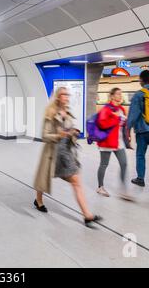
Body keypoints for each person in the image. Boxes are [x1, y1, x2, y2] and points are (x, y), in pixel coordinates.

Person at [33, 87, 102, 226]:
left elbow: (68, 129)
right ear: (58, 97)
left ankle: (87, 215)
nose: (67, 97)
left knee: (76, 182)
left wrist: (73, 132)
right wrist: (60, 135)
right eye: (64, 94)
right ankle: (38, 200)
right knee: (43, 179)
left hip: (67, 153)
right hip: (53, 153)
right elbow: (44, 136)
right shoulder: (50, 113)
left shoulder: (68, 112)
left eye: (67, 95)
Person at [96, 88, 132, 200]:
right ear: (112, 96)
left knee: (124, 163)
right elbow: (102, 124)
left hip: (118, 141)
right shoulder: (106, 109)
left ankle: (123, 190)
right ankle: (100, 187)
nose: (120, 95)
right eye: (117, 94)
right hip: (107, 141)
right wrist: (116, 118)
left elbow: (123, 124)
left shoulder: (121, 109)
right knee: (104, 164)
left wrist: (127, 134)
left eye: (121, 93)